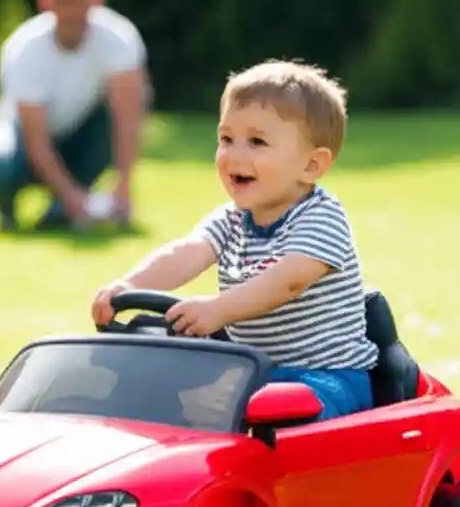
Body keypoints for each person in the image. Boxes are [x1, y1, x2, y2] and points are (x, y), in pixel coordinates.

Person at [90, 60, 379, 421]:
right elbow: (187, 252)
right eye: (226, 139)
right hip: (252, 370)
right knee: (157, 390)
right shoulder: (232, 218)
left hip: (325, 377)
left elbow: (288, 281)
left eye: (256, 142)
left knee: (253, 410)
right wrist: (130, 284)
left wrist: (217, 310)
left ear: (311, 166)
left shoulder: (321, 217)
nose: (233, 155)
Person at [0, 0, 147, 232]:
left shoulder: (119, 38)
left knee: (112, 119)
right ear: (46, 1)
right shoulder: (24, 48)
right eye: (64, 0)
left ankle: (60, 211)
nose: (72, 10)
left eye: (80, 0)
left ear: (96, 0)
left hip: (82, 134)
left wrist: (124, 183)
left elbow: (128, 116)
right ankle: (10, 213)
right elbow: (35, 139)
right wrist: (71, 196)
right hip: (24, 139)